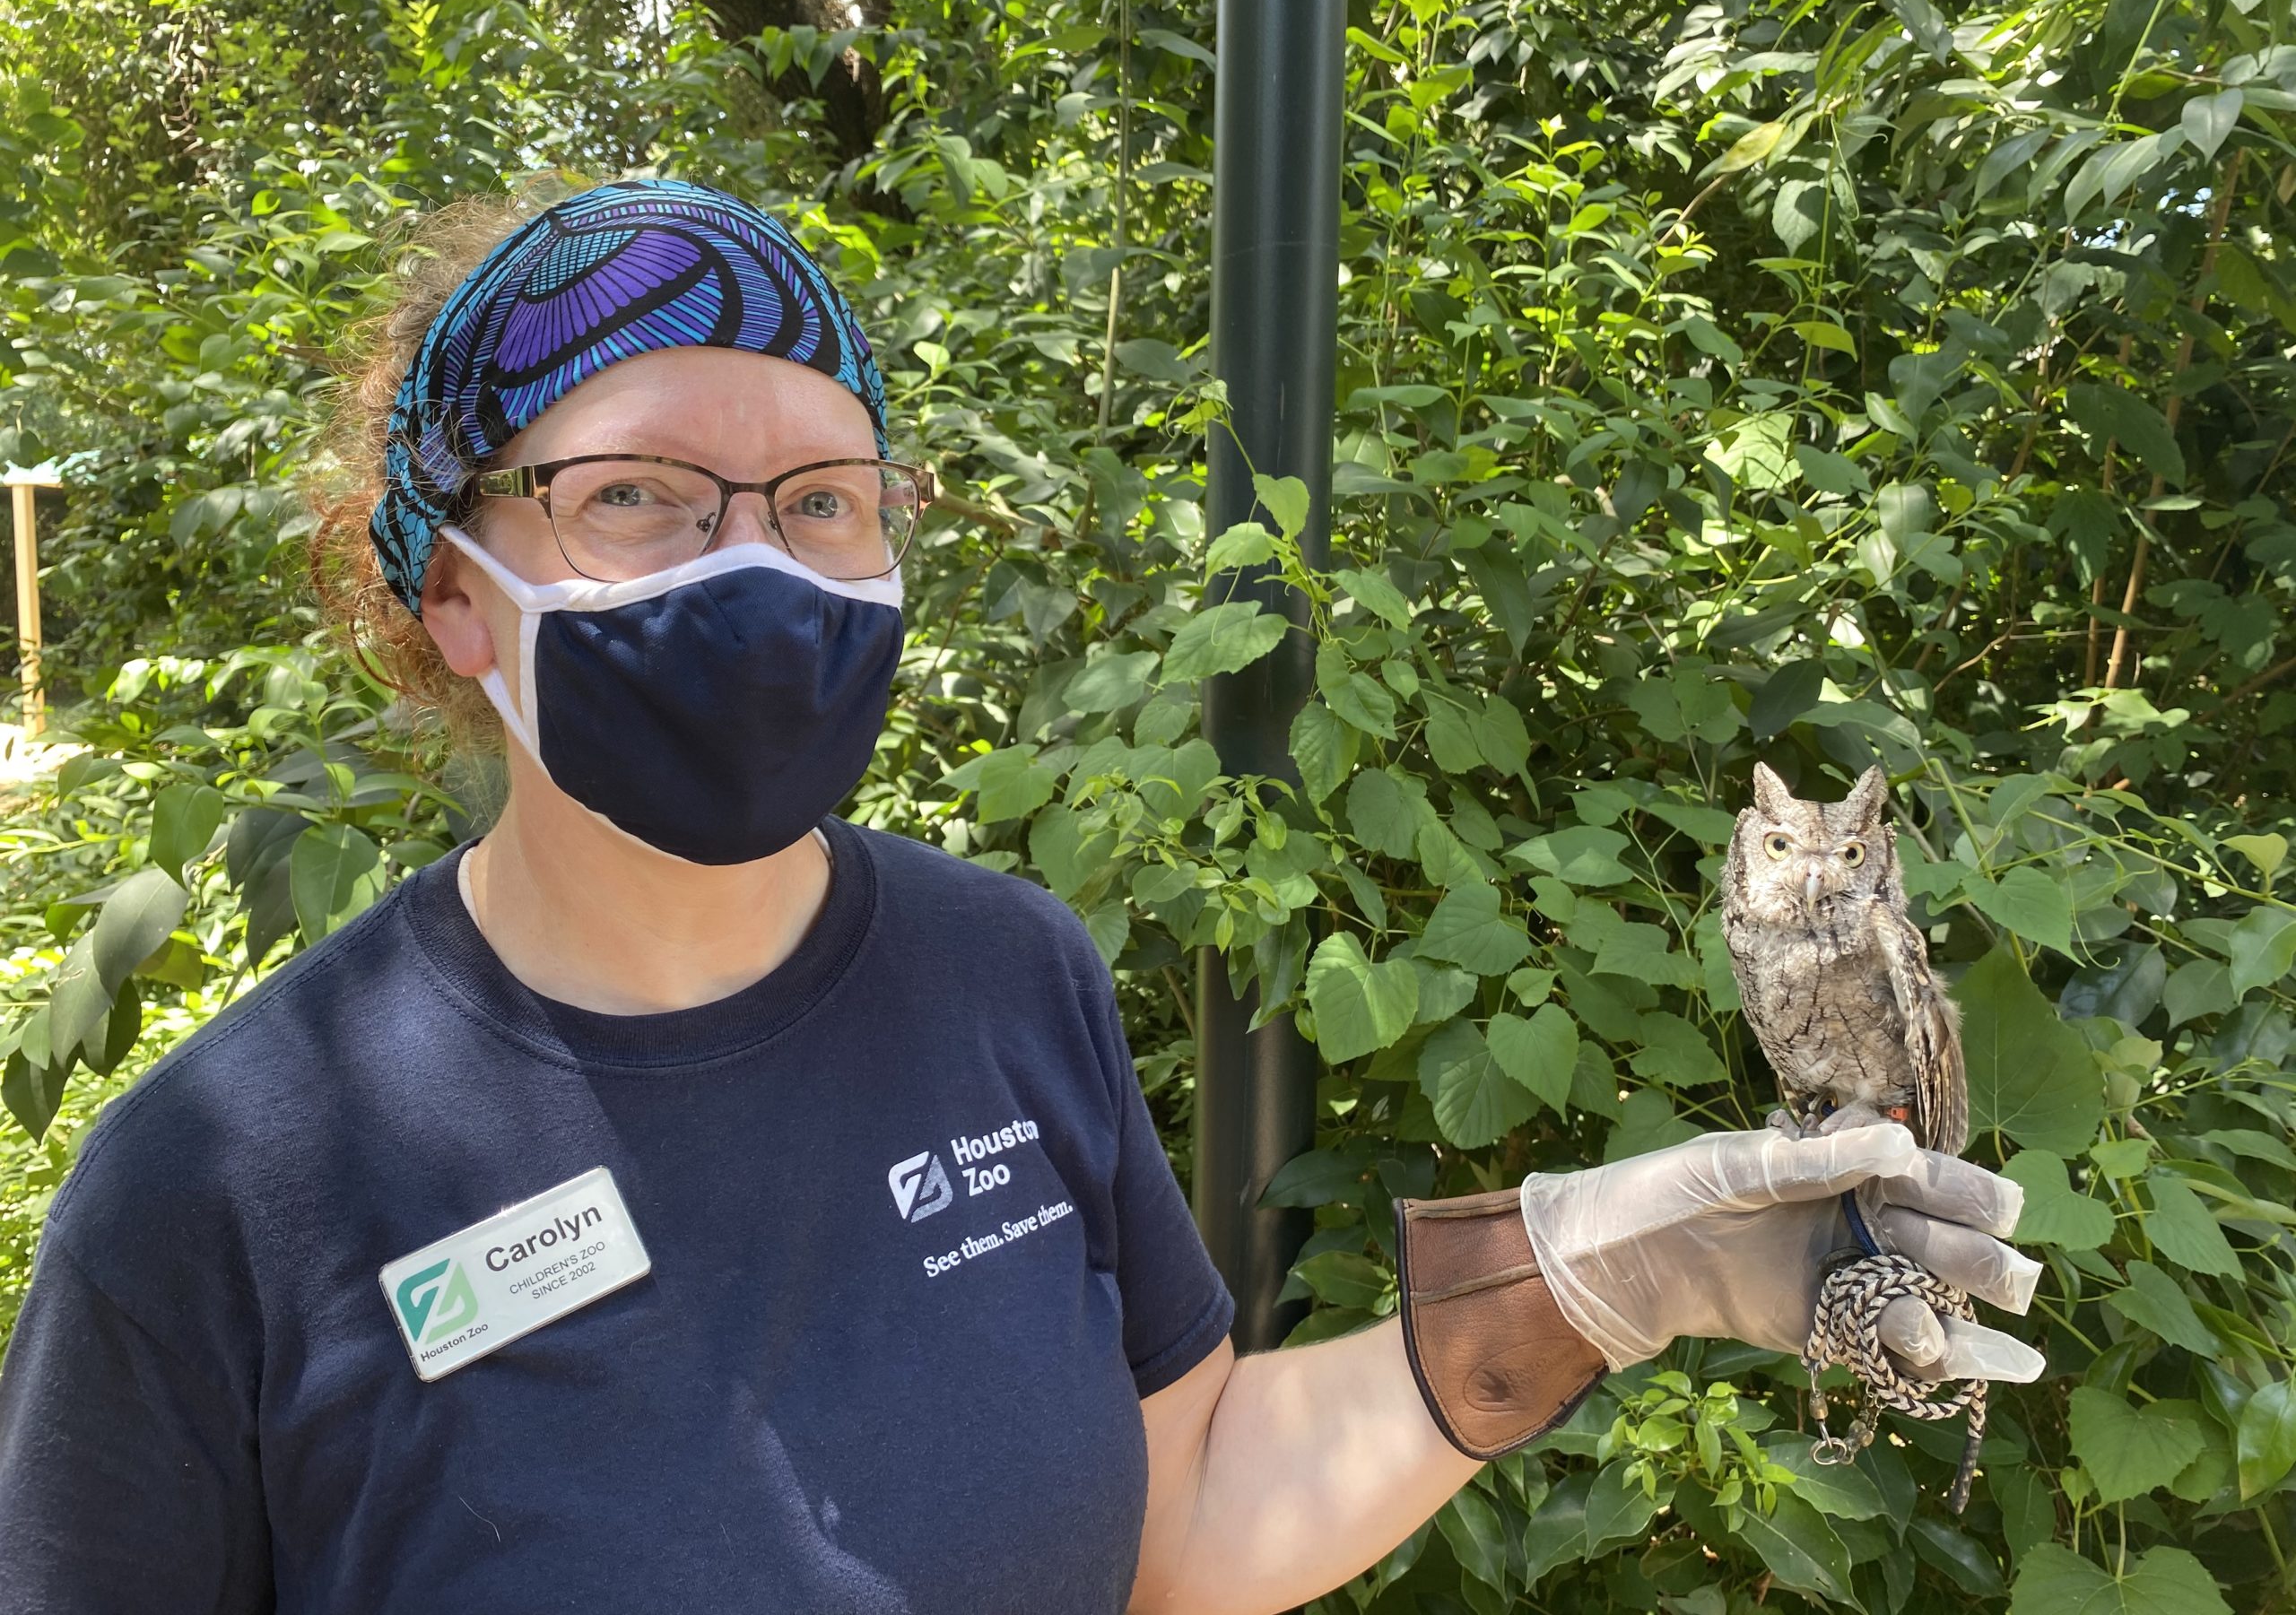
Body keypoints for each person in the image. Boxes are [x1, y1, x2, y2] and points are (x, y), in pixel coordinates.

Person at [0, 178, 2046, 1614]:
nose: (759, 564)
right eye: (631, 496)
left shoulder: (1002, 975)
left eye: (821, 500)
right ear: (450, 589)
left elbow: (1181, 1520)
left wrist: (1607, 1273)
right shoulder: (220, 1192)